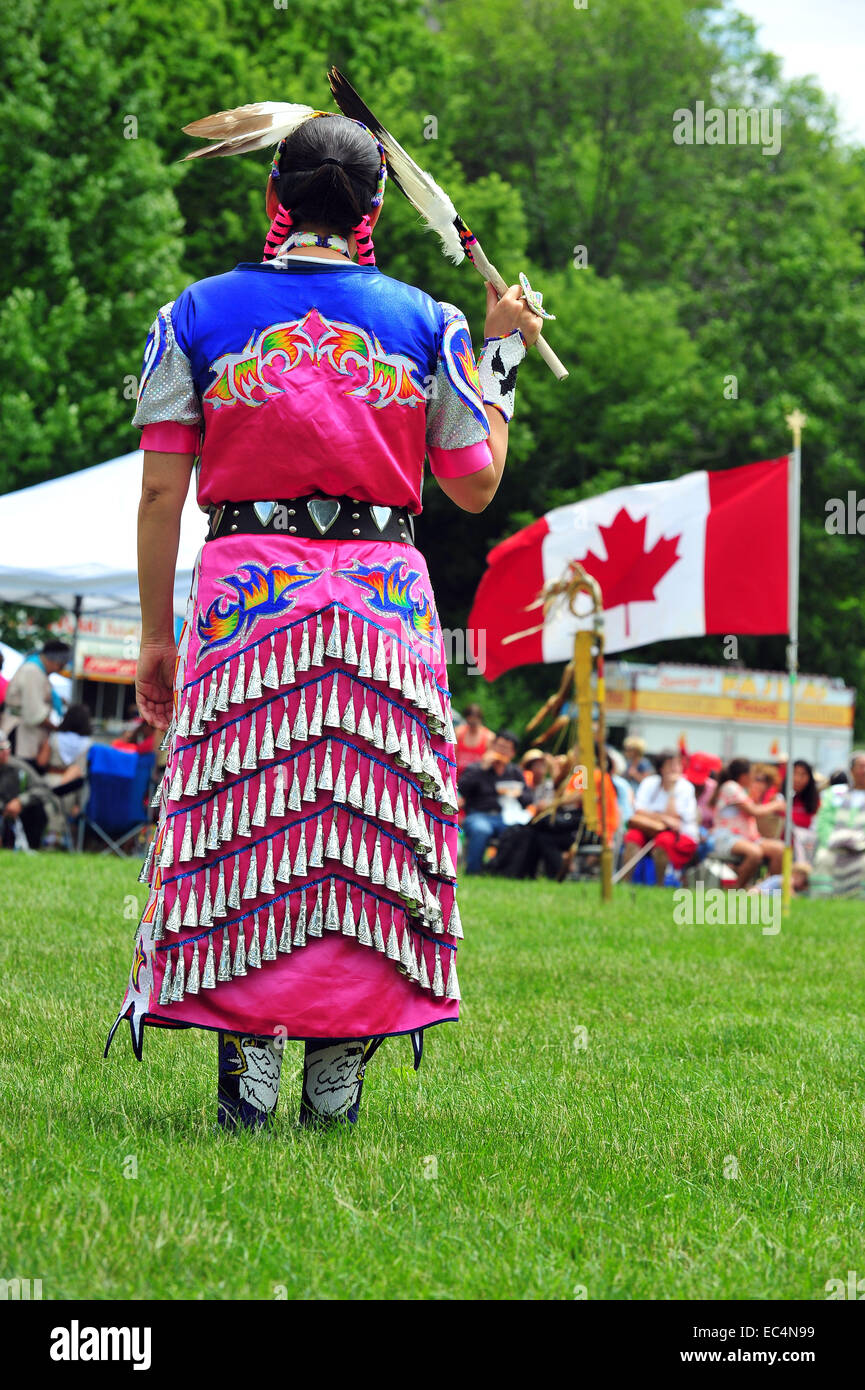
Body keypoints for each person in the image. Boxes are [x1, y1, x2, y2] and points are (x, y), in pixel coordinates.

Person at [104, 101, 544, 1131]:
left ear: (274, 198)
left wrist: (158, 637)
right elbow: (476, 486)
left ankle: (250, 1051)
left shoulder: (196, 314)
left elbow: (163, 493)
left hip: (246, 596)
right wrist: (505, 358)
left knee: (245, 814)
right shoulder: (426, 323)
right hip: (379, 598)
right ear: (373, 209)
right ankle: (340, 1056)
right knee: (364, 816)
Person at [458, 729, 533, 874]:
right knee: (481, 829)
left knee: (520, 831)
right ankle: (474, 871)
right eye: (499, 746)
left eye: (506, 749)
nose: (501, 751)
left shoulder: (515, 772)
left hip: (506, 816)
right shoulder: (477, 767)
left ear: (513, 753)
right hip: (479, 814)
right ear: (492, 747)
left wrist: (518, 794)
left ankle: (504, 870)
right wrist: (482, 768)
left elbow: (528, 799)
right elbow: (463, 788)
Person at [621, 748, 698, 883]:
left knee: (664, 841)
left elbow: (675, 817)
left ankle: (659, 884)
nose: (675, 769)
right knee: (633, 836)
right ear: (661, 768)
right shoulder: (650, 782)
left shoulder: (686, 787)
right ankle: (626, 881)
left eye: (677, 765)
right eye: (671, 765)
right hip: (649, 829)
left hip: (676, 834)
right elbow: (639, 810)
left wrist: (672, 791)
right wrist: (663, 818)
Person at [708, 758, 784, 889]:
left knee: (780, 849)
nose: (755, 781)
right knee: (755, 853)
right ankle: (738, 889)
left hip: (748, 838)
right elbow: (754, 811)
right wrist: (776, 805)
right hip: (727, 837)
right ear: (744, 776)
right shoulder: (730, 786)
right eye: (754, 777)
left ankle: (769, 890)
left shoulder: (743, 790)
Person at [3, 640, 71, 765]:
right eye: (61, 666)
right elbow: (34, 714)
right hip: (21, 735)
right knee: (18, 774)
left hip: (27, 735)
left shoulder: (37, 671)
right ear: (54, 661)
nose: (59, 670)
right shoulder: (33, 672)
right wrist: (58, 729)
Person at [811, 749, 865, 898]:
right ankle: (822, 899)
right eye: (860, 766)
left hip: (862, 850)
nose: (863, 771)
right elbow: (823, 822)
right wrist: (832, 841)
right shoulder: (835, 794)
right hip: (834, 846)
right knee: (823, 858)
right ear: (851, 770)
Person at [0, 729, 48, 849]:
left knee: (37, 810)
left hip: (18, 814)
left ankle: (31, 847)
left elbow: (42, 789)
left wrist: (21, 801)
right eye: (1, 749)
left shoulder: (18, 767)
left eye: (7, 747)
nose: (6, 751)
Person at [36, 703, 93, 790]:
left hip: (52, 781)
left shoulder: (54, 738)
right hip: (75, 785)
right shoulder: (89, 743)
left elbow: (41, 762)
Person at [454, 703, 494, 777]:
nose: (472, 725)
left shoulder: (489, 737)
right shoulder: (459, 732)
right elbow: (452, 755)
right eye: (470, 722)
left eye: (475, 722)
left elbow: (489, 762)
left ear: (480, 719)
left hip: (477, 779)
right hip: (459, 777)